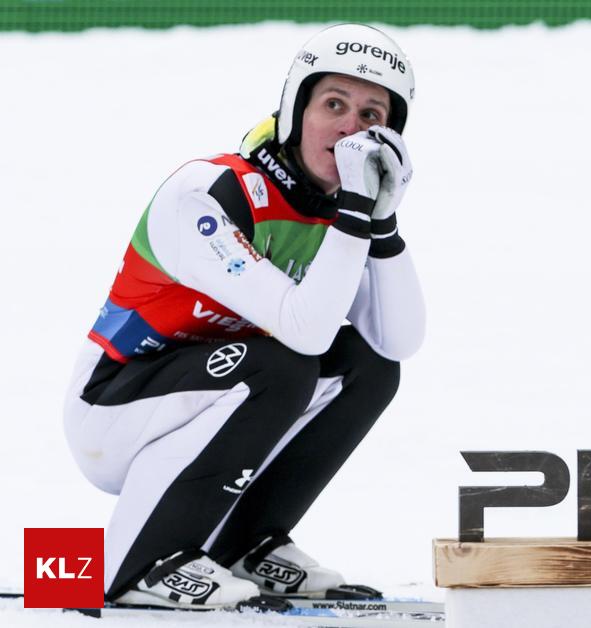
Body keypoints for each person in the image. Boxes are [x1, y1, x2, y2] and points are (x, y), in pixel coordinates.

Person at [61, 23, 425, 609]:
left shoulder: (340, 217)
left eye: (372, 116)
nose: (350, 129)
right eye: (333, 104)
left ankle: (243, 545)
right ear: (293, 111)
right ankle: (132, 566)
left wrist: (379, 225)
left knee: (366, 367)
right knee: (285, 362)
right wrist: (357, 216)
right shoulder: (211, 191)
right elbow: (302, 330)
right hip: (113, 406)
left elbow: (397, 341)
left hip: (210, 406)